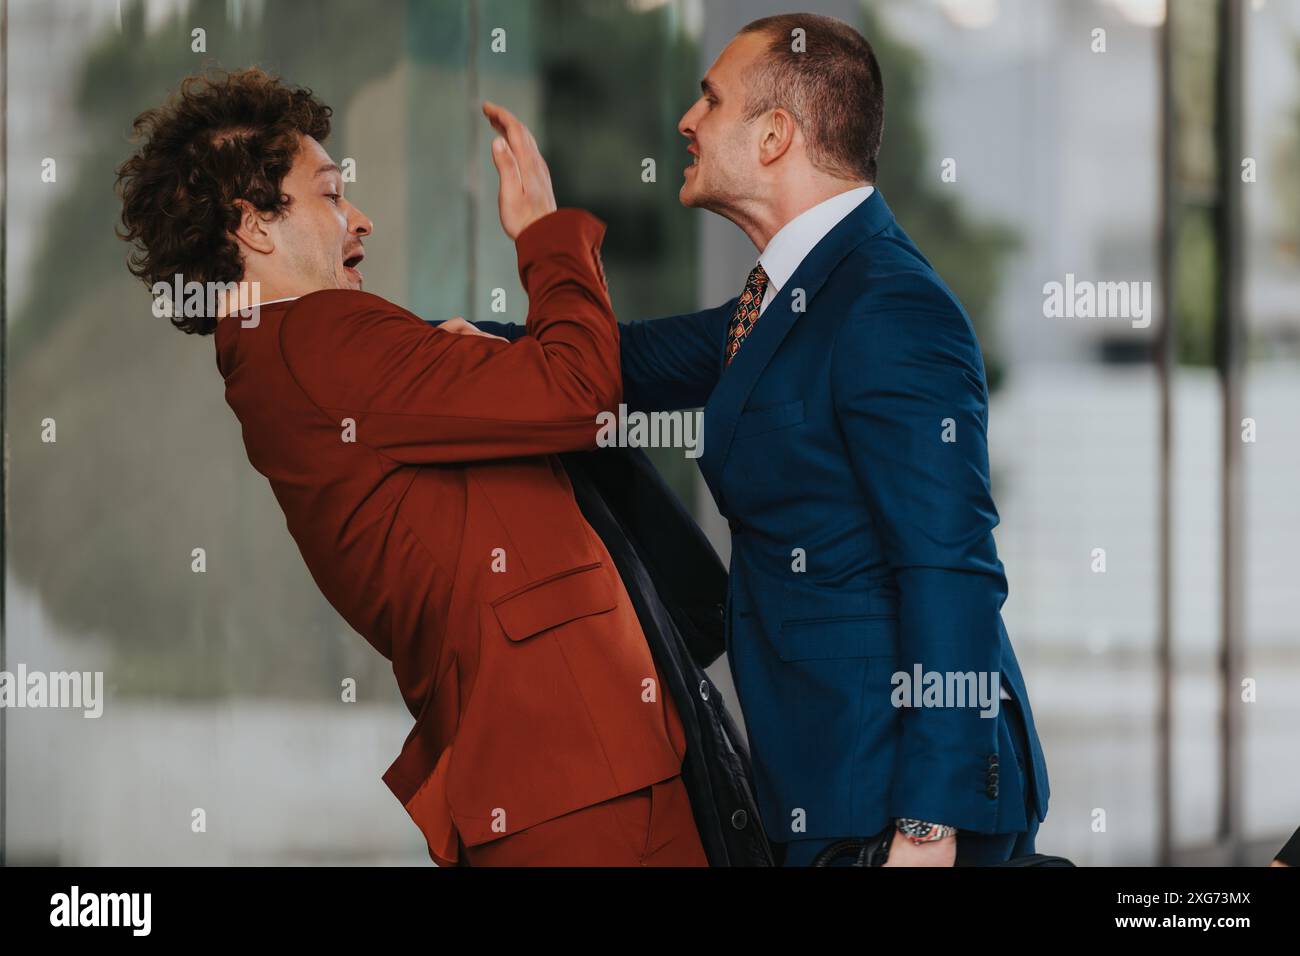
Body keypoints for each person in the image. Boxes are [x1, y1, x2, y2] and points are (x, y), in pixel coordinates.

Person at [456, 13, 1051, 866]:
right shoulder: (782, 297)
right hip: (821, 780)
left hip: (891, 801)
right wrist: (449, 344)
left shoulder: (889, 304)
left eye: (709, 99)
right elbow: (610, 365)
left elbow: (950, 570)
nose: (686, 122)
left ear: (775, 136)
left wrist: (929, 826)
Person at [115, 68, 709, 866]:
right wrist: (542, 231)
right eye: (329, 195)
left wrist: (473, 371)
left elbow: (555, 393)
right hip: (577, 781)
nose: (359, 218)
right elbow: (578, 391)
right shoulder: (317, 338)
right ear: (254, 226)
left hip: (574, 771)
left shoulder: (281, 360)